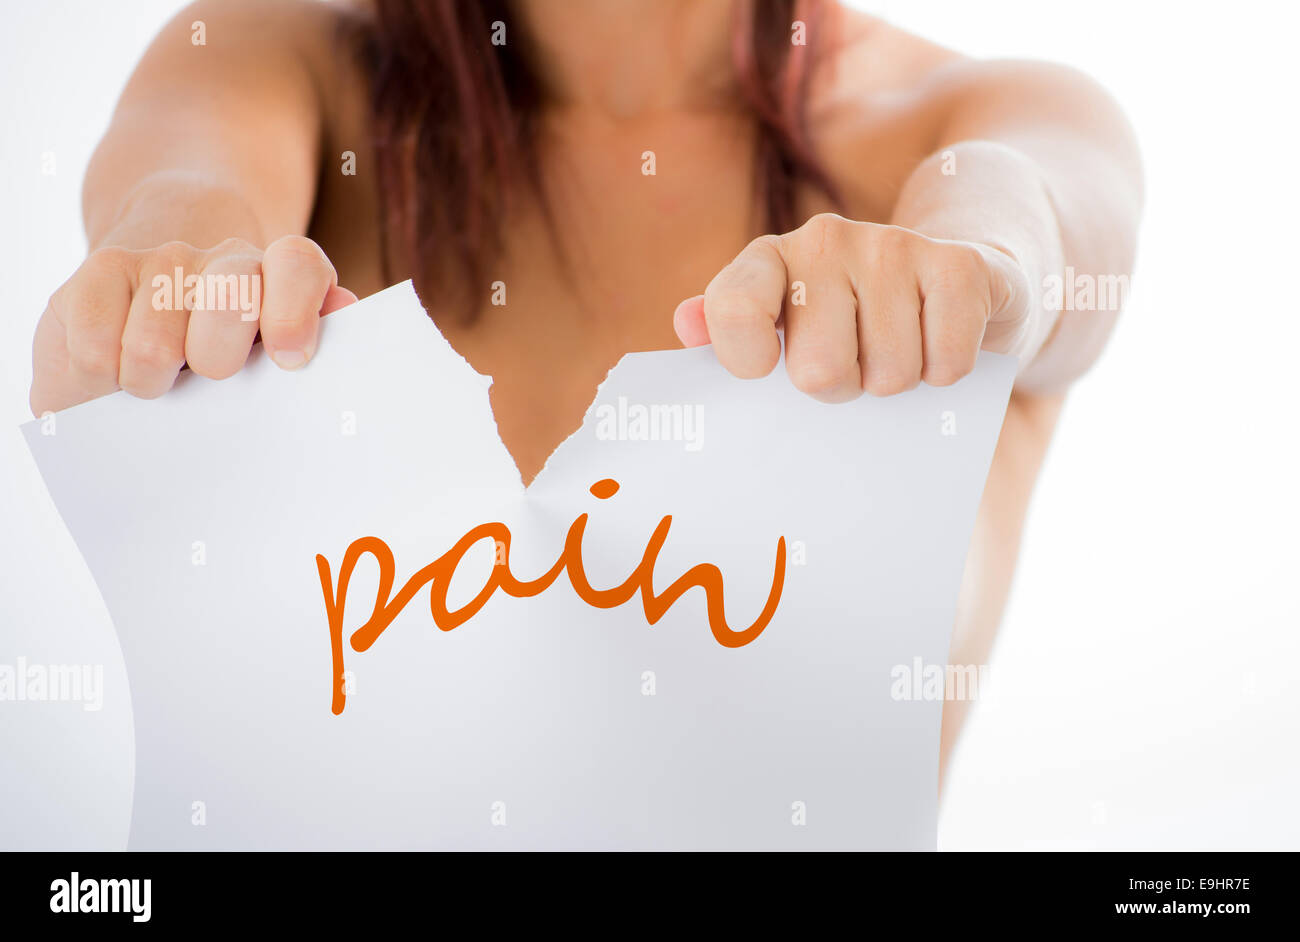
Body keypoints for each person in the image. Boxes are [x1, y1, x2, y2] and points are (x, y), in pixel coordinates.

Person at [28, 0, 1143, 784]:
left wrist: (972, 266)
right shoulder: (277, 59)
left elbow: (1027, 226)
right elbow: (188, 187)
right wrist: (164, 279)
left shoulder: (983, 120)